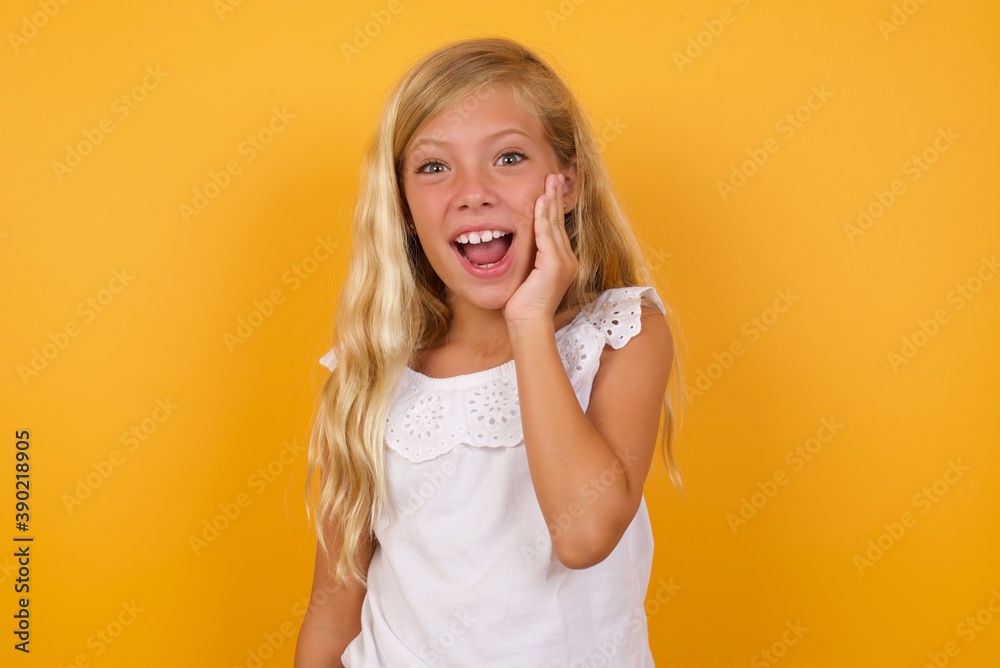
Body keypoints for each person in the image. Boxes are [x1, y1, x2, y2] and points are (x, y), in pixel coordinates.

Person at [294, 35, 686, 667]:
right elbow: (331, 607)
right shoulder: (368, 375)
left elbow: (584, 535)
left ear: (569, 185)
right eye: (433, 166)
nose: (471, 191)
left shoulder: (620, 335)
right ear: (402, 205)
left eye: (508, 158)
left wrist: (529, 320)